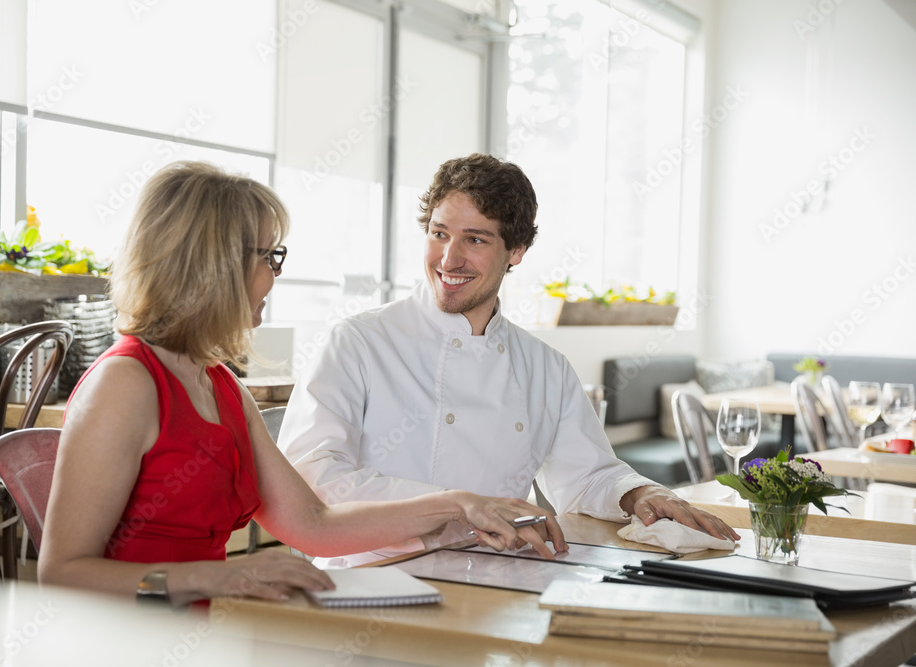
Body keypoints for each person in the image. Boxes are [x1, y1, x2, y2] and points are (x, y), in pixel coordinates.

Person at [37, 161, 563, 608]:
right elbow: (62, 574)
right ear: (215, 267)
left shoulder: (221, 388)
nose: (275, 274)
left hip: (215, 628)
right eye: (269, 257)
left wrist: (460, 504)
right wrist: (211, 576)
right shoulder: (125, 383)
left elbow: (314, 524)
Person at [278, 153, 737, 564]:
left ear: (516, 251)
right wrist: (456, 506)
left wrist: (639, 493)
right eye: (439, 234)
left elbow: (587, 476)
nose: (449, 259)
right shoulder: (357, 342)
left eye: (475, 240)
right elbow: (312, 481)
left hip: (498, 570)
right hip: (371, 574)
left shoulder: (544, 366)